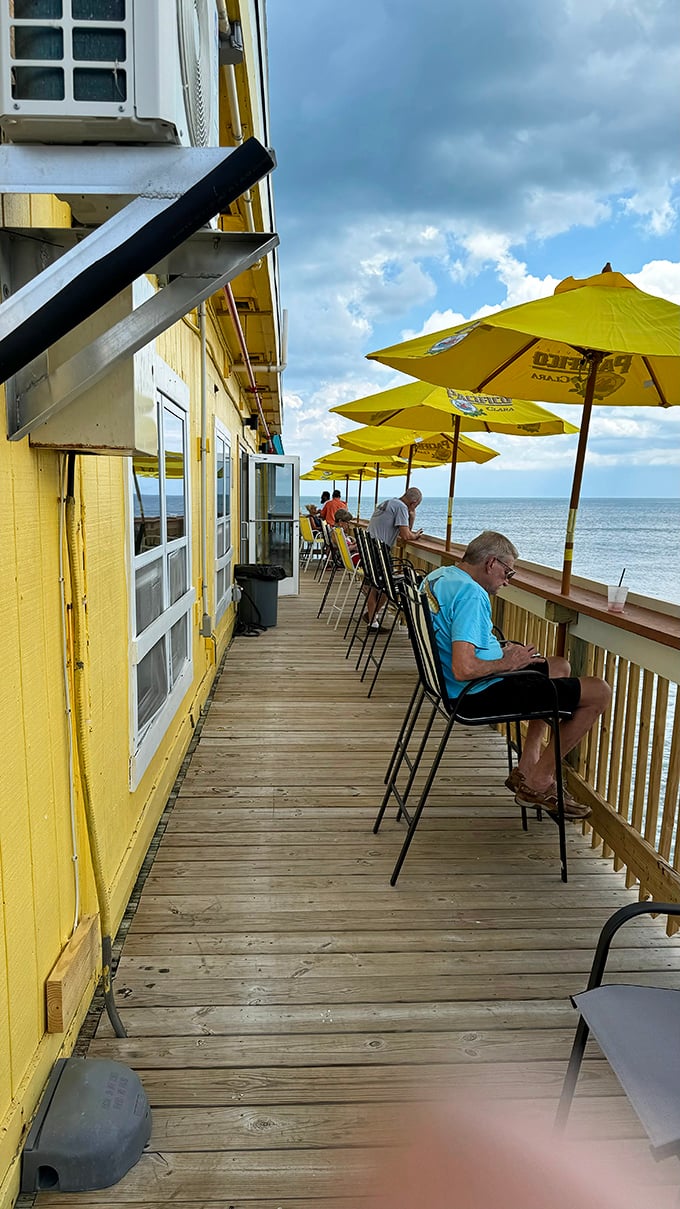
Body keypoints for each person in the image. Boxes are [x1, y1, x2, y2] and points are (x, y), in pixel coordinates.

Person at [421, 530, 611, 820]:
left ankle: (527, 766)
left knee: (558, 666)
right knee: (599, 690)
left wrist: (498, 649)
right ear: (491, 563)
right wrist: (508, 663)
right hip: (474, 693)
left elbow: (456, 640)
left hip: (446, 684)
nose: (508, 581)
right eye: (507, 572)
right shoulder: (472, 594)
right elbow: (464, 668)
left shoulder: (440, 578)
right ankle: (539, 782)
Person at [365, 488, 424, 626]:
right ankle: (372, 619)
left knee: (372, 585)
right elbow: (406, 535)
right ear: (414, 503)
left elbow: (402, 531)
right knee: (388, 586)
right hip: (380, 550)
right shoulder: (401, 507)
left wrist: (411, 518)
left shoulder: (389, 502)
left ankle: (372, 617)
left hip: (369, 547)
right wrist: (416, 535)